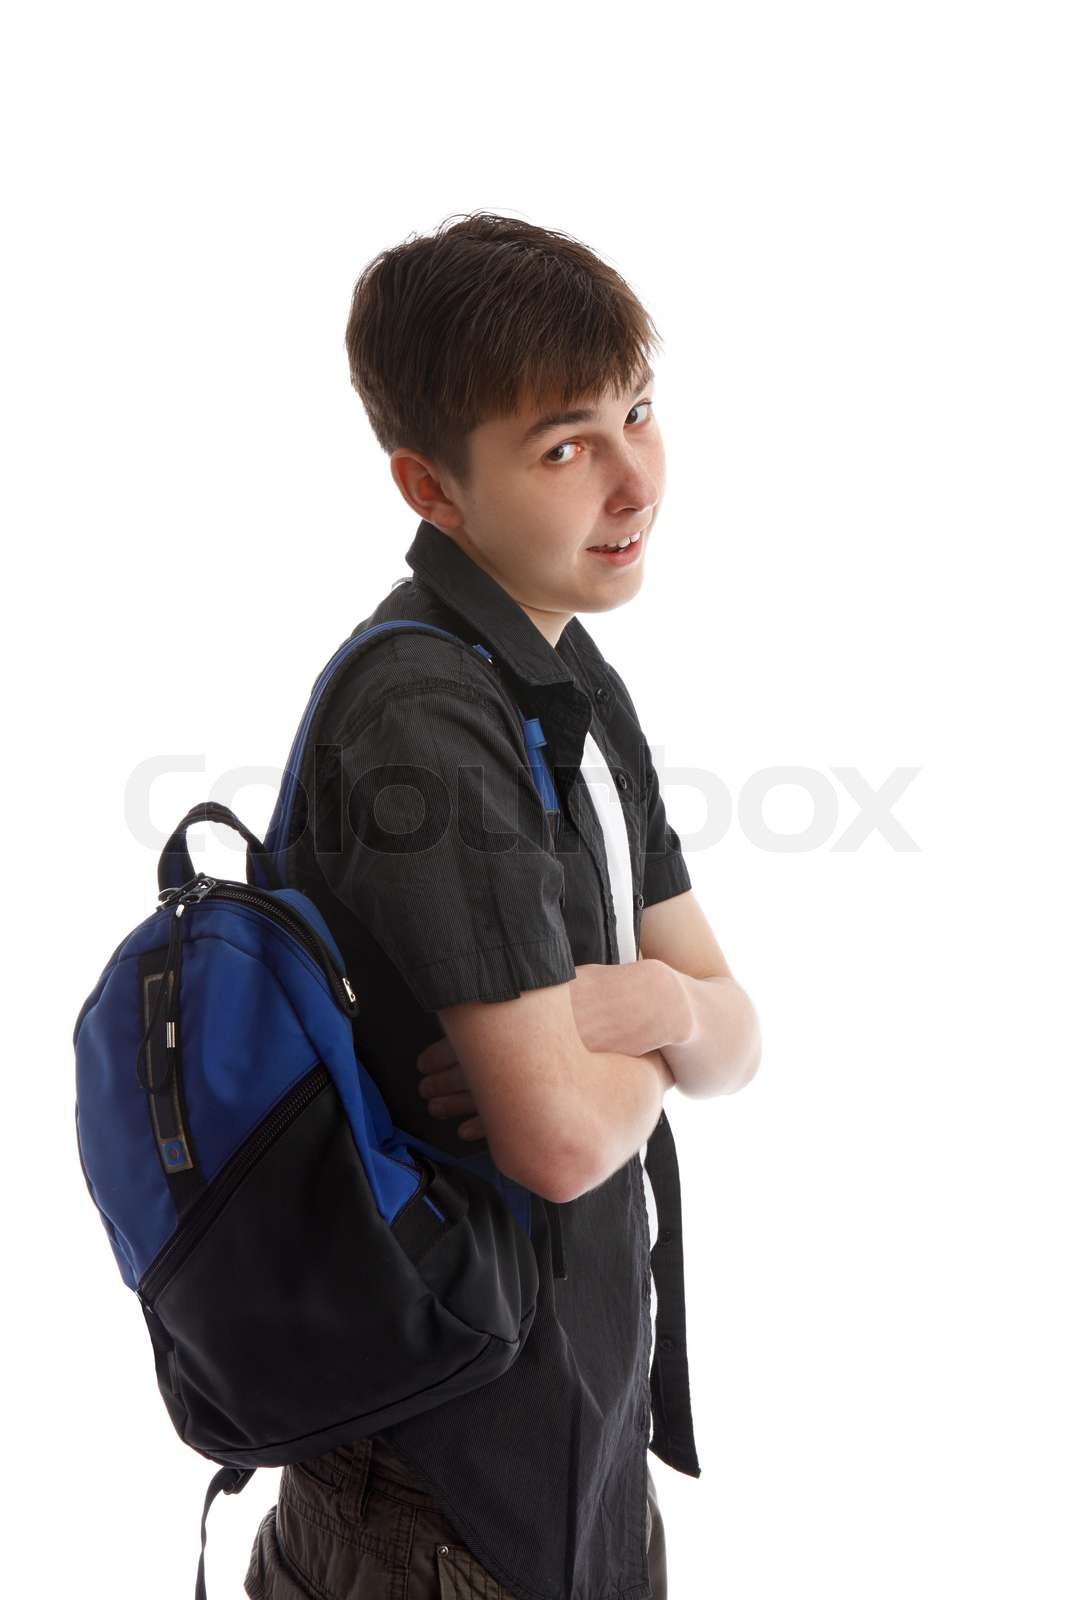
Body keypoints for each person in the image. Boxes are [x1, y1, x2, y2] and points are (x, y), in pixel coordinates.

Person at [245, 212, 761, 1600]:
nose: (633, 478)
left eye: (637, 413)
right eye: (563, 445)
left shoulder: (570, 673)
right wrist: (661, 1034)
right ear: (432, 488)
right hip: (435, 1497)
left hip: (582, 1456)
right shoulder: (422, 712)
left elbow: (737, 1033)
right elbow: (554, 1138)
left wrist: (644, 1012)